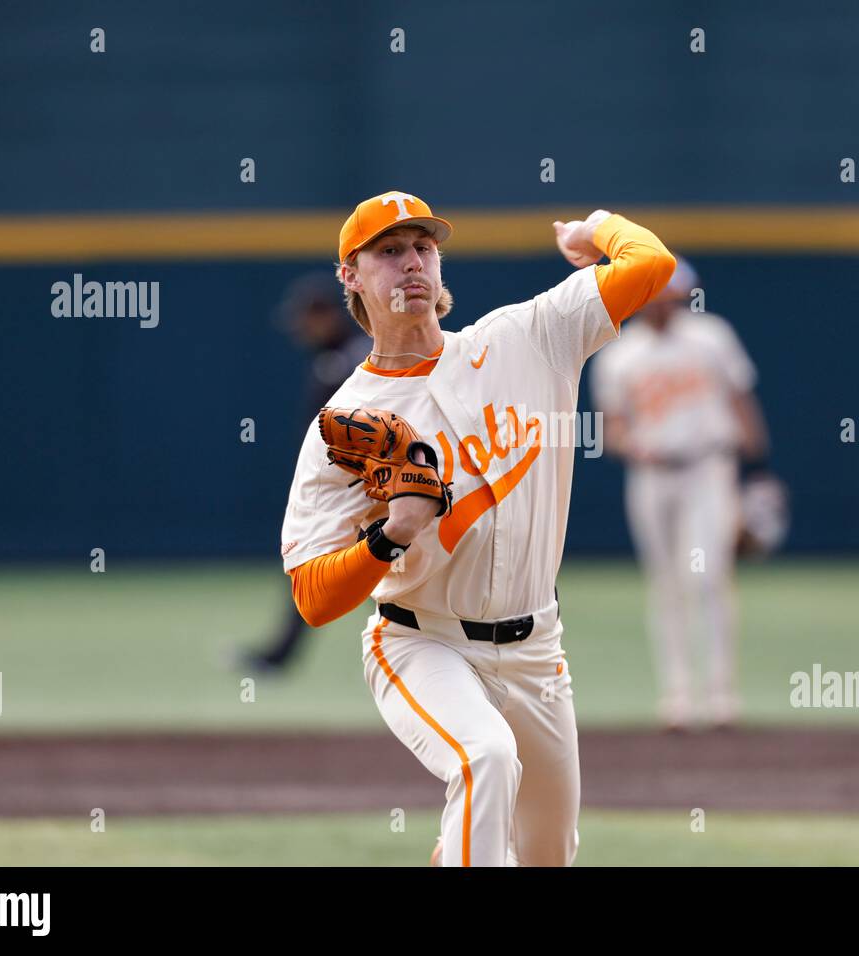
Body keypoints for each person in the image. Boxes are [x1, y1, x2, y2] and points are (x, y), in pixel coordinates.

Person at [278, 190, 675, 866]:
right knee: (485, 758)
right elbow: (312, 598)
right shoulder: (347, 422)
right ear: (351, 276)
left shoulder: (526, 338)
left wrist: (595, 229)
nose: (412, 264)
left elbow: (652, 263)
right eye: (389, 250)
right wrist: (387, 538)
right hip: (422, 643)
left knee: (547, 853)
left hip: (537, 649)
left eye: (424, 247)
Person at [589, 257, 767, 731]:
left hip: (709, 466)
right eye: (657, 294)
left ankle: (722, 694)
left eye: (671, 295)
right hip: (653, 476)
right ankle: (678, 696)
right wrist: (633, 446)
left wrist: (759, 470)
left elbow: (741, 402)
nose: (665, 303)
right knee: (666, 584)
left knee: (706, 576)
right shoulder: (618, 354)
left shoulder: (711, 337)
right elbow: (612, 430)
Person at [239, 274, 371, 672]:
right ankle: (279, 656)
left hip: (366, 493)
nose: (300, 329)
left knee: (388, 576)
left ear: (326, 314)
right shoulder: (335, 357)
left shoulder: (359, 356)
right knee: (318, 570)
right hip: (342, 493)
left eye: (305, 318)